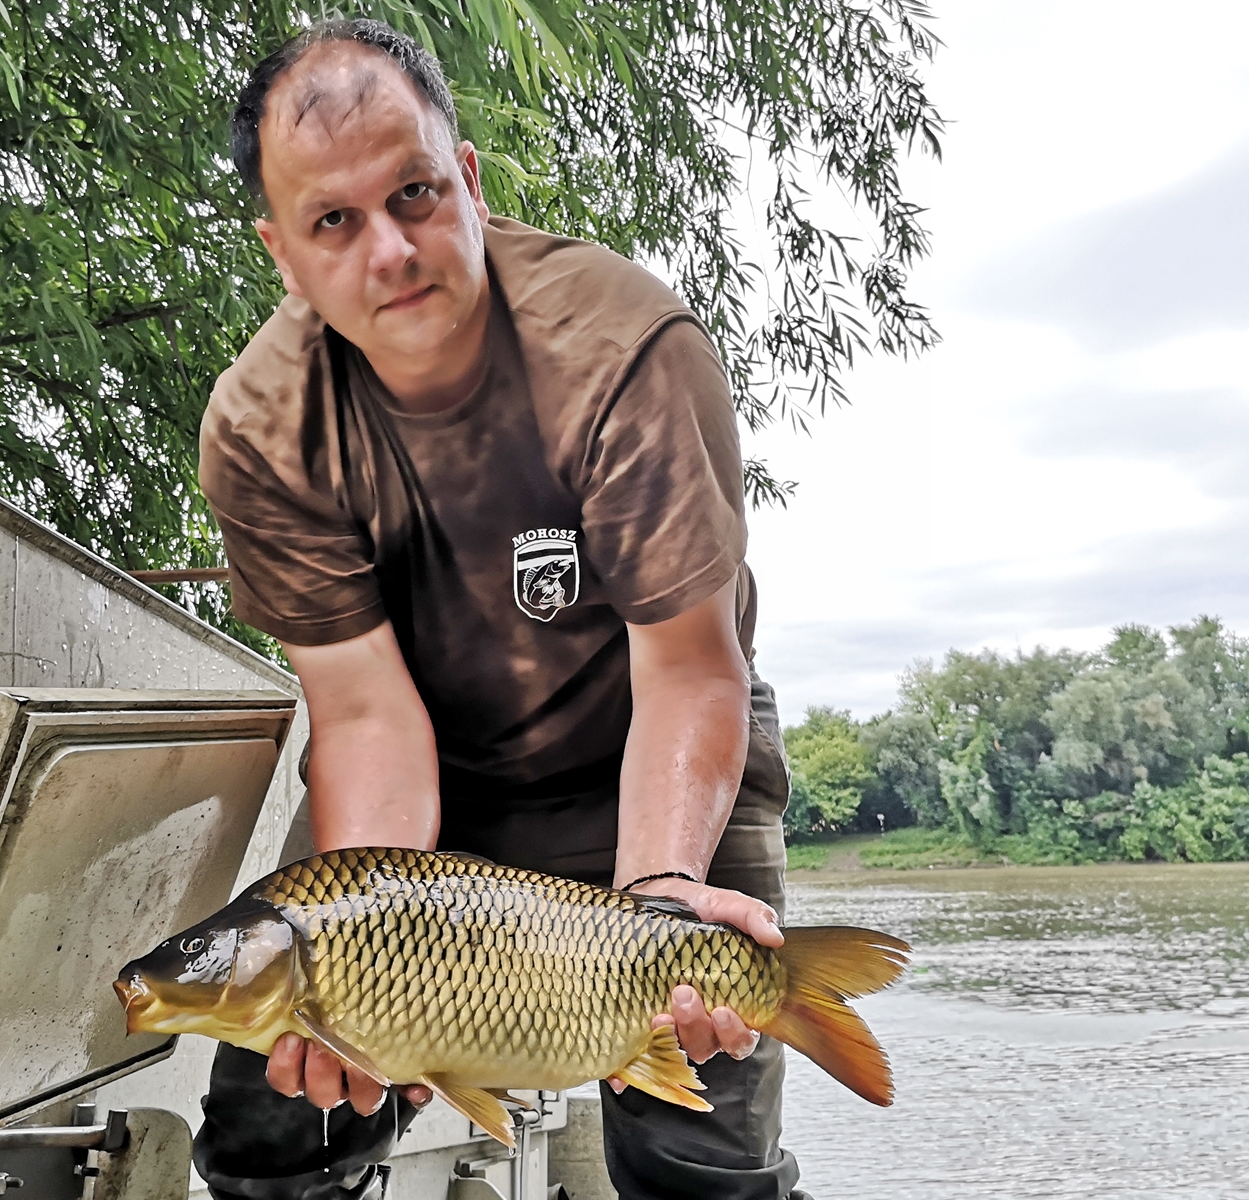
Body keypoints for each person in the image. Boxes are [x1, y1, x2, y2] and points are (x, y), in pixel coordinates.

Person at [192, 18, 806, 1200]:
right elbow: (365, 720)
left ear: (465, 179)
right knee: (279, 1111)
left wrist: (662, 897)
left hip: (653, 742)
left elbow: (689, 668)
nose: (391, 249)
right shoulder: (263, 428)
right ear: (284, 252)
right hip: (443, 766)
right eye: (335, 221)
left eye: (415, 194)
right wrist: (365, 970)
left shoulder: (625, 343)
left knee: (694, 1149)